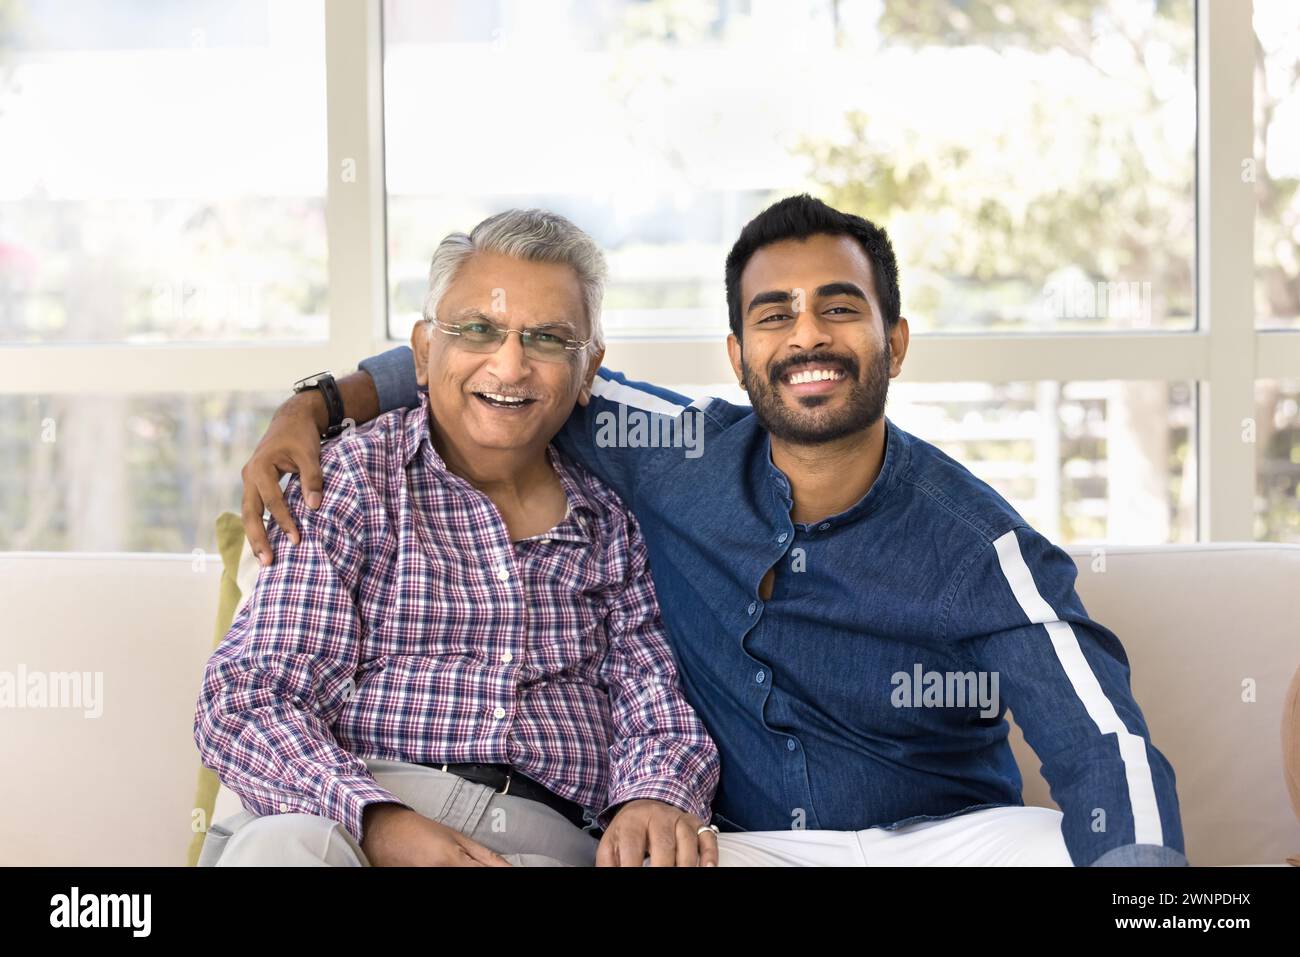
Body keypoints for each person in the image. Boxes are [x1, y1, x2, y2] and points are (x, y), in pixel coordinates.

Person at [240, 194, 1187, 866]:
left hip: (950, 839)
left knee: (1052, 848)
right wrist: (318, 405)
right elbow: (496, 356)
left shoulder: (979, 543)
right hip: (749, 847)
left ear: (893, 343)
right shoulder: (672, 451)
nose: (807, 337)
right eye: (776, 315)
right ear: (738, 354)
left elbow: (1104, 745)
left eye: (840, 308)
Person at [195, 209, 720, 867]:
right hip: (350, 814)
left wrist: (654, 794)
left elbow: (656, 701)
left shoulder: (616, 518)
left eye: (548, 339)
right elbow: (251, 697)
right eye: (478, 329)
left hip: (543, 840)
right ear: (423, 351)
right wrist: (380, 823)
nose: (510, 365)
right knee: (281, 848)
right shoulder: (354, 478)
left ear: (589, 368)